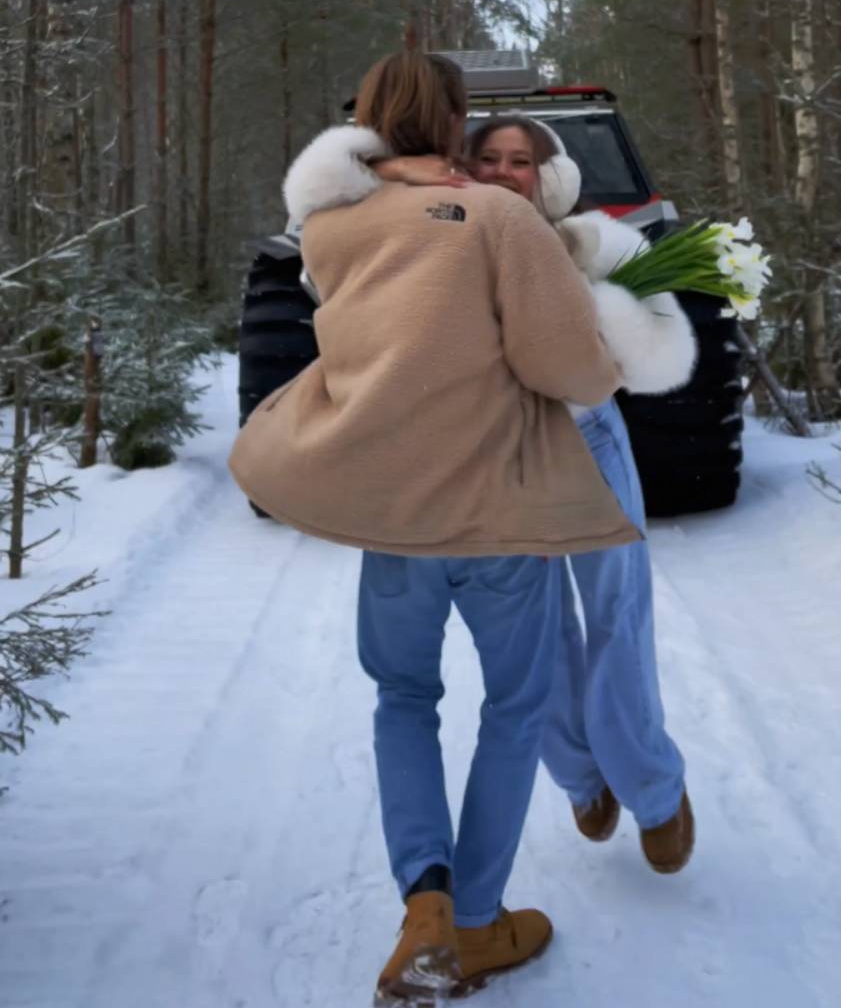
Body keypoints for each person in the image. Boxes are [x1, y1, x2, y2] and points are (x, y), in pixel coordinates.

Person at [229, 52, 637, 1007]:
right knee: (514, 705)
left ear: (367, 121)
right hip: (495, 516)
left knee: (402, 700)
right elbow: (567, 365)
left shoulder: (327, 226)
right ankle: (479, 922)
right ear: (454, 120)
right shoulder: (494, 216)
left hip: (393, 521)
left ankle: (423, 904)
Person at [292, 111, 697, 875]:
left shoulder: (596, 240)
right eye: (492, 158)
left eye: (522, 160)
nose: (507, 171)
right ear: (466, 167)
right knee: (540, 637)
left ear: (548, 175)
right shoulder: (445, 232)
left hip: (588, 442)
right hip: (497, 455)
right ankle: (580, 776)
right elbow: (336, 274)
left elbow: (659, 353)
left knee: (618, 614)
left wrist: (592, 303)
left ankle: (652, 785)